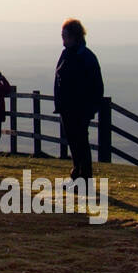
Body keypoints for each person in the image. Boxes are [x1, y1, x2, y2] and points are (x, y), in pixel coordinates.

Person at [53, 19, 103, 181]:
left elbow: (96, 86)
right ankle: (77, 172)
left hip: (80, 109)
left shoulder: (86, 57)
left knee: (80, 141)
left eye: (65, 36)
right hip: (67, 108)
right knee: (74, 141)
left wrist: (90, 108)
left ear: (74, 36)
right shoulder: (67, 54)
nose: (63, 40)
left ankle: (84, 175)